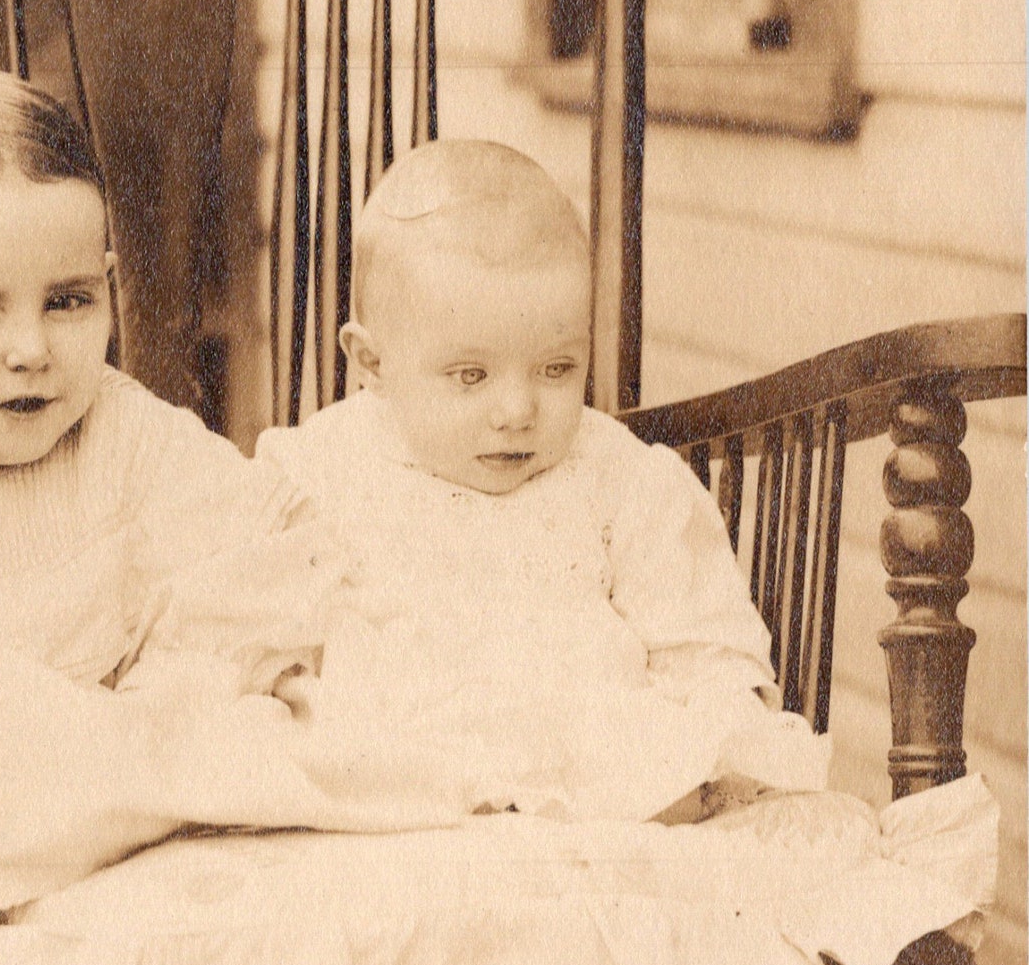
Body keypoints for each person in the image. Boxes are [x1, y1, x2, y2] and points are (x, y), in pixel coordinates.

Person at [0, 70, 472, 933]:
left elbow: (281, 556)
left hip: (115, 766)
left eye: (70, 300)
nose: (33, 349)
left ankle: (77, 839)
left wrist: (179, 684)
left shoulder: (131, 437)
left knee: (264, 729)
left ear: (109, 282)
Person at [256, 138, 831, 824]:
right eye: (470, 375)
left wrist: (717, 744)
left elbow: (706, 643)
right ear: (372, 362)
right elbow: (253, 642)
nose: (518, 411)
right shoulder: (321, 473)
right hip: (399, 811)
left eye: (556, 368)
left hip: (602, 807)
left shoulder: (618, 477)